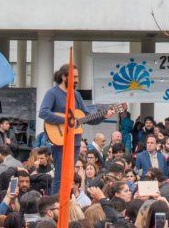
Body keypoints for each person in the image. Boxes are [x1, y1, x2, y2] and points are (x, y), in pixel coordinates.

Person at [39, 64, 115, 196]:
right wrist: (66, 120)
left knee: (69, 175)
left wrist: (104, 116)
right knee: (60, 175)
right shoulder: (53, 93)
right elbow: (43, 112)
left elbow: (86, 117)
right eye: (74, 77)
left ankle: (66, 201)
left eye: (77, 77)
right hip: (60, 140)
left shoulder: (76, 95)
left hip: (75, 141)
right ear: (64, 77)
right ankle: (55, 202)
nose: (77, 80)